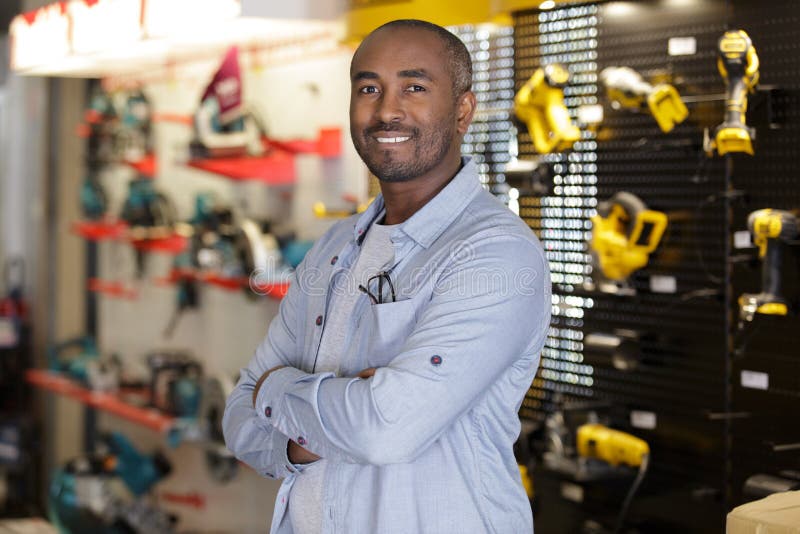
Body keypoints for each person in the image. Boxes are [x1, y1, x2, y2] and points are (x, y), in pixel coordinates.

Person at [223, 19, 551, 534]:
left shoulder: (495, 254)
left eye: (414, 87)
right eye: (369, 88)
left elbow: (384, 429)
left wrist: (279, 388)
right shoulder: (333, 250)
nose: (387, 110)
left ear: (462, 111)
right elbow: (239, 418)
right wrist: (333, 409)